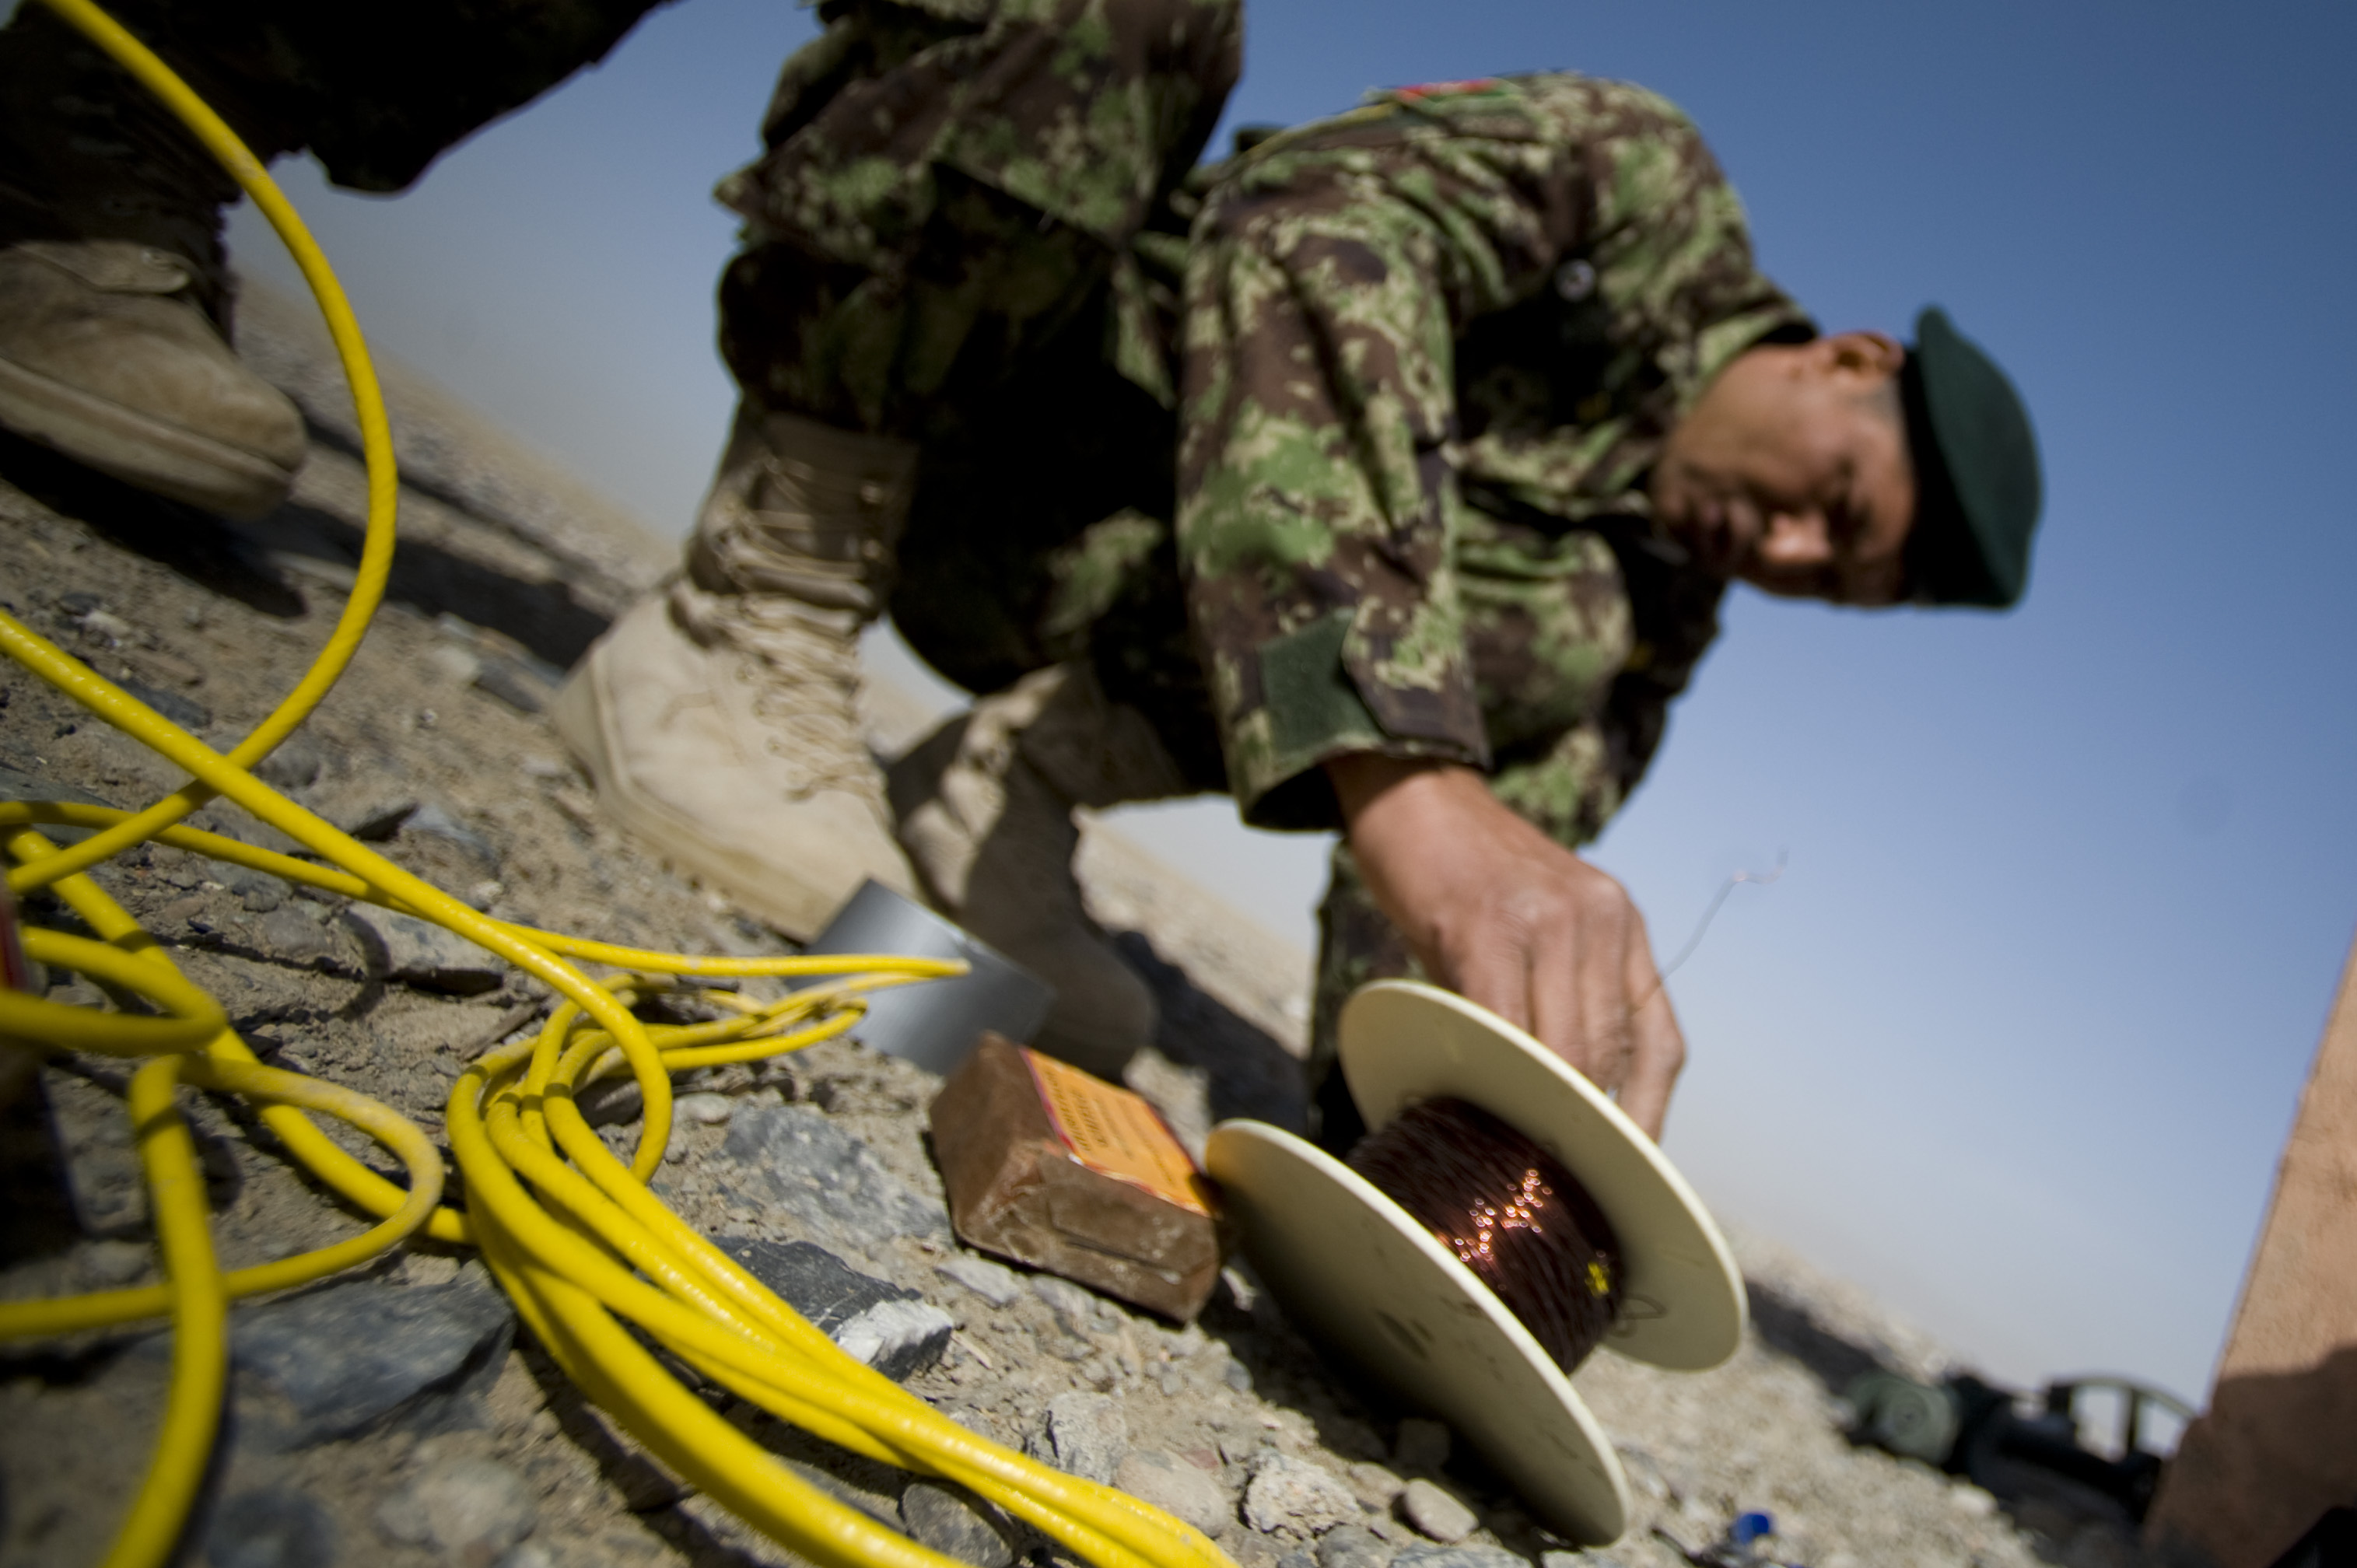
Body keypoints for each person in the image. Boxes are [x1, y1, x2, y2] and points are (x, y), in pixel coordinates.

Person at [0, 0, 2041, 1145]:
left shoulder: (1657, 614)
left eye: (1818, 583)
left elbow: (1498, 886)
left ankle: (1004, 800)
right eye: (1825, 506)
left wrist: (1420, 1125)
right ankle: (738, 626)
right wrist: (1410, 783)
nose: (1771, 550)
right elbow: (1319, 234)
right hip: (984, 364)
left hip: (1062, 604)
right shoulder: (1642, 182)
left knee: (1561, 670)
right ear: (1844, 359)